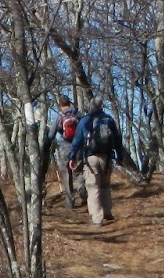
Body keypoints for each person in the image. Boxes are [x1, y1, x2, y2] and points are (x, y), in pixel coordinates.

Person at [66, 97, 122, 226]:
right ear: (101, 106)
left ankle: (97, 219)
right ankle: (108, 212)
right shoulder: (109, 120)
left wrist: (72, 157)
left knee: (93, 187)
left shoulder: (85, 121)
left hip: (90, 157)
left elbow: (77, 141)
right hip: (107, 157)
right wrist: (119, 157)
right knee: (105, 185)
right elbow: (117, 140)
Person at [49, 98, 82, 207]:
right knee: (79, 172)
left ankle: (70, 203)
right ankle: (83, 193)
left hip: (65, 147)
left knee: (67, 174)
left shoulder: (59, 116)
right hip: (79, 147)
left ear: (60, 105)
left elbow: (51, 134)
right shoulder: (78, 114)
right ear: (69, 103)